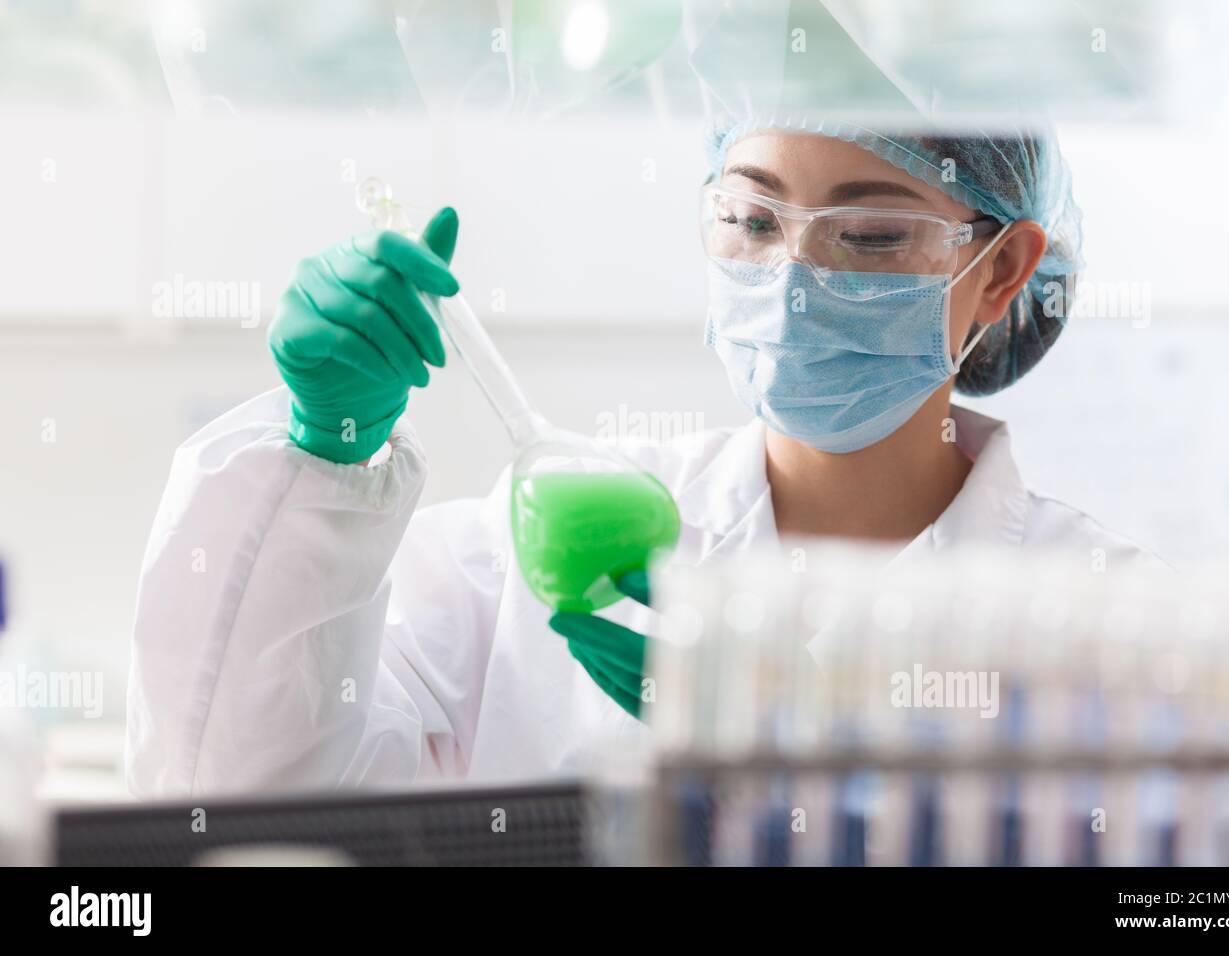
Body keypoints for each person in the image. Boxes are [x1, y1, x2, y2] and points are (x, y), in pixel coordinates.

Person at [126, 122, 1154, 796]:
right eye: (752, 219)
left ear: (1002, 270)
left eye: (871, 235)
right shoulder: (534, 558)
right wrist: (322, 456)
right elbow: (236, 802)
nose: (792, 278)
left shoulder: (1107, 620)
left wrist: (821, 770)